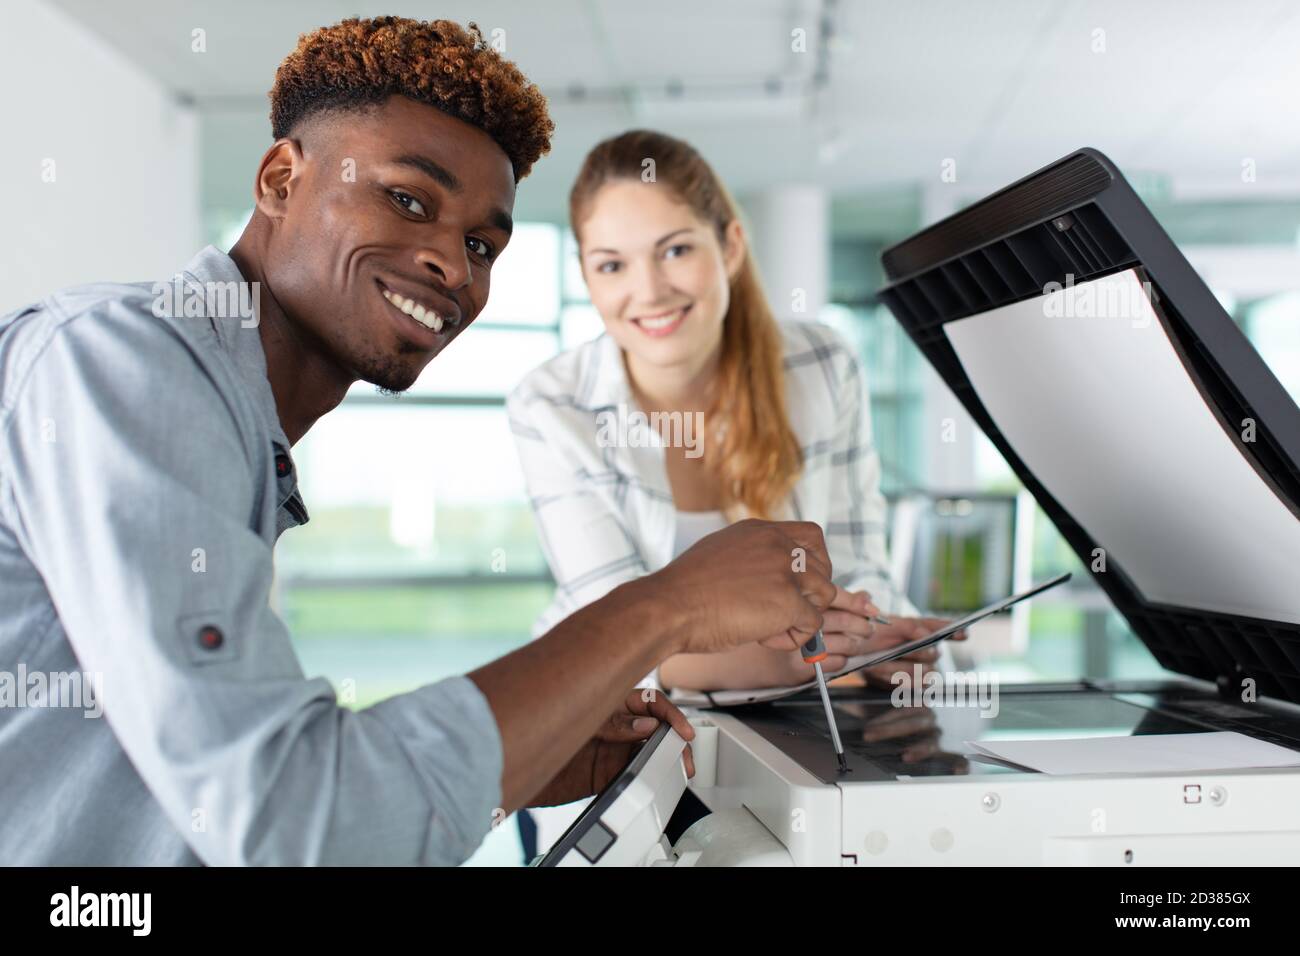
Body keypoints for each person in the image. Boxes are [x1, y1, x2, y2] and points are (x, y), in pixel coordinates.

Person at [0, 17, 837, 866]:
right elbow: (291, 821)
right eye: (408, 200)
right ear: (279, 178)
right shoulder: (124, 363)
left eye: (482, 243)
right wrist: (670, 605)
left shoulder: (237, 432)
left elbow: (227, 800)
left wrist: (503, 772)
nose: (452, 264)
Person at [506, 129, 961, 850]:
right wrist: (827, 653)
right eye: (612, 264)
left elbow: (858, 570)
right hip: (613, 736)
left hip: (792, 726)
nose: (647, 290)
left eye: (676, 249)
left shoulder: (821, 364)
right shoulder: (552, 405)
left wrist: (884, 635)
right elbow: (616, 641)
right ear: (588, 280)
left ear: (732, 246)